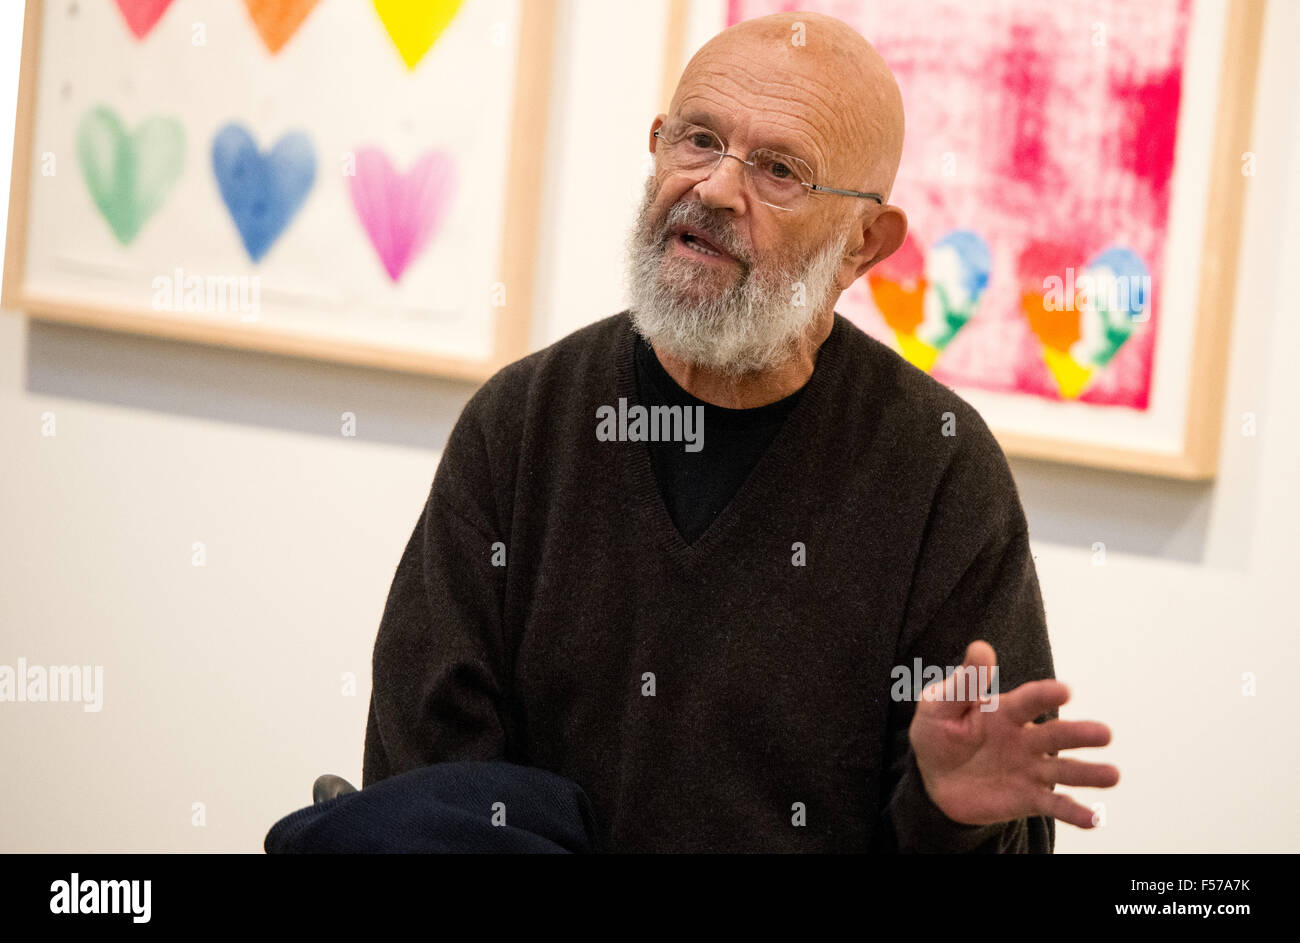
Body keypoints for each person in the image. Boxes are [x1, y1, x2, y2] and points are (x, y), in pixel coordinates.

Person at [362, 10, 1119, 852]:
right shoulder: (521, 426)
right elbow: (418, 792)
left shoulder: (939, 469)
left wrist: (945, 815)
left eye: (780, 168)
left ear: (863, 243)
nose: (716, 188)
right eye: (697, 141)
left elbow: (998, 822)